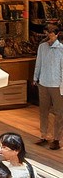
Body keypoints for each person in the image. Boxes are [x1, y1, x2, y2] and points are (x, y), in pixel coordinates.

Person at [33, 21, 62, 150]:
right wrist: (35, 77)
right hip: (43, 82)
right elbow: (38, 62)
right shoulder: (42, 47)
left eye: (51, 33)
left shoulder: (61, 49)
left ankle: (56, 139)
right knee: (43, 111)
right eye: (47, 32)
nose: (48, 35)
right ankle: (44, 135)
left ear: (57, 34)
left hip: (57, 84)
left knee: (58, 112)